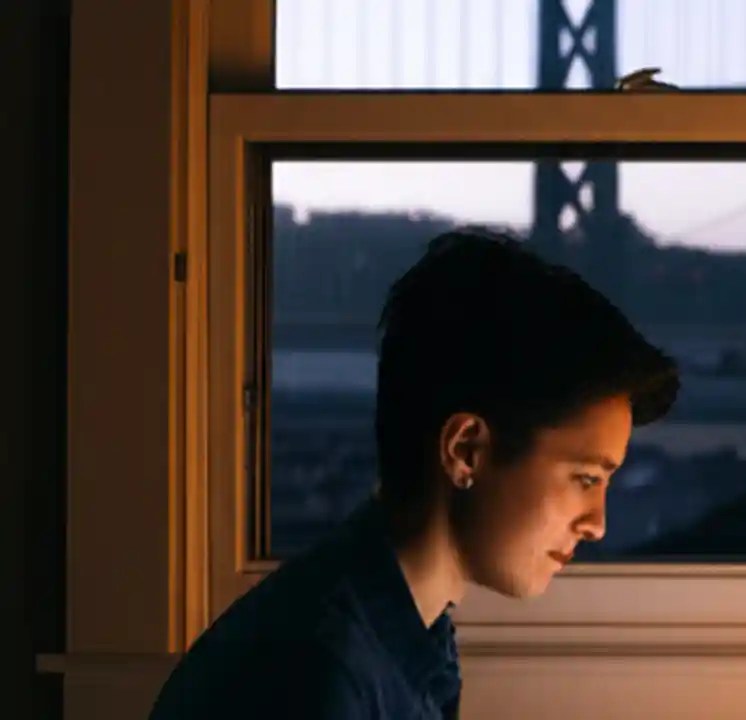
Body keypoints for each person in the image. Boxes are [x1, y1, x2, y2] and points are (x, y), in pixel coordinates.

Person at [149, 229, 680, 719]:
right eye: (586, 478)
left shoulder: (407, 633)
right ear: (465, 450)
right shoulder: (318, 676)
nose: (598, 523)